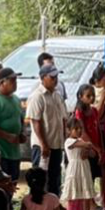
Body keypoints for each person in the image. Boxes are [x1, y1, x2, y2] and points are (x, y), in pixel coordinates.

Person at [27, 64, 67, 196]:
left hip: (56, 143)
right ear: (43, 78)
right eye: (52, 77)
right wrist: (43, 144)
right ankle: (38, 204)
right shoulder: (38, 96)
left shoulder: (57, 95)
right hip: (43, 145)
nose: (55, 80)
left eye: (56, 77)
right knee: (40, 177)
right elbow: (35, 121)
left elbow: (63, 118)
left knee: (55, 176)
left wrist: (64, 138)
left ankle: (53, 203)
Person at [61, 117, 99, 210]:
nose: (78, 131)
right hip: (74, 171)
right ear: (68, 130)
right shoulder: (69, 141)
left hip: (83, 170)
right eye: (75, 128)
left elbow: (86, 155)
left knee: (80, 199)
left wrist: (89, 149)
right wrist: (90, 145)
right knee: (73, 199)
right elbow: (84, 145)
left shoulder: (81, 142)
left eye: (80, 128)